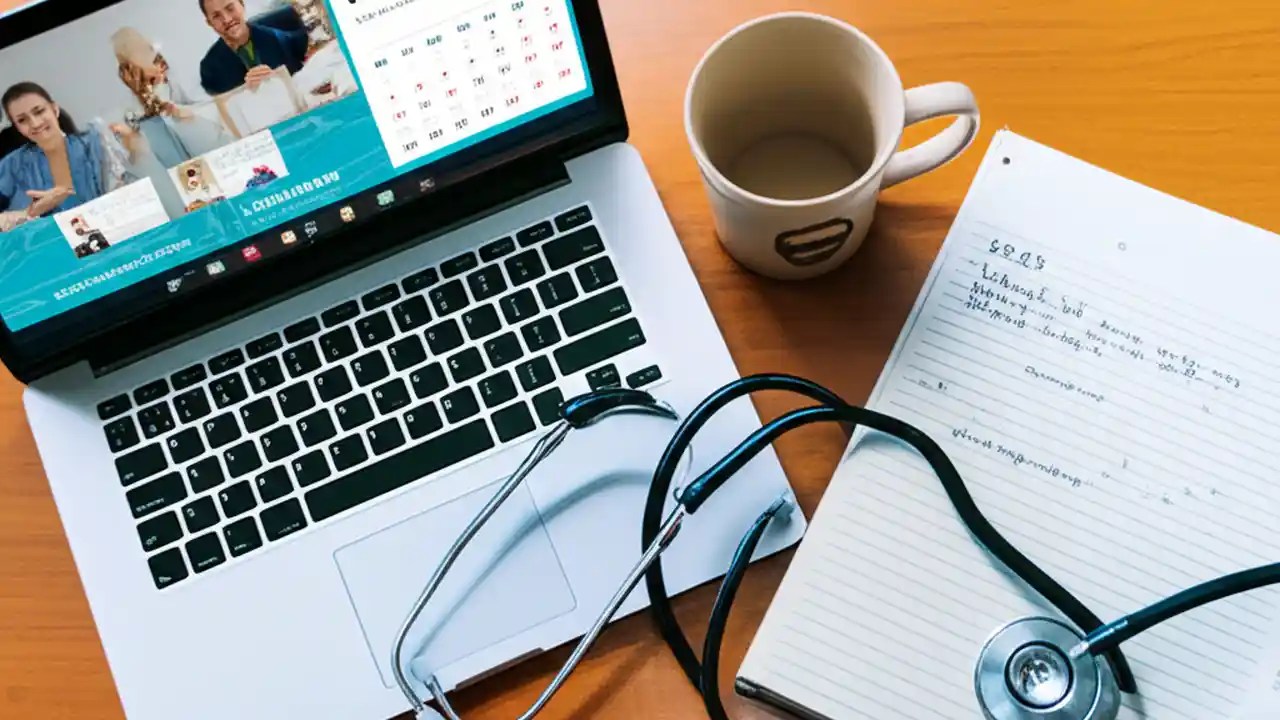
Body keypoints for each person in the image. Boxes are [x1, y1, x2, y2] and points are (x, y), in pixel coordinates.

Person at [0, 82, 145, 233]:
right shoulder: (12, 166)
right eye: (22, 120)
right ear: (16, 127)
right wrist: (28, 213)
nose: (35, 123)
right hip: (55, 251)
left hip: (117, 236)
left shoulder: (95, 141)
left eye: (39, 111)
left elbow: (129, 191)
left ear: (54, 109)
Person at [113, 27, 233, 169]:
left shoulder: (172, 77)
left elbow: (208, 107)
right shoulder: (131, 104)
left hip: (202, 146)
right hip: (168, 155)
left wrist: (184, 112)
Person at [198, 0, 309, 96]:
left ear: (242, 4)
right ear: (209, 23)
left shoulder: (281, 39)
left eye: (230, 8)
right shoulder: (210, 69)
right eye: (216, 16)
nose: (226, 19)